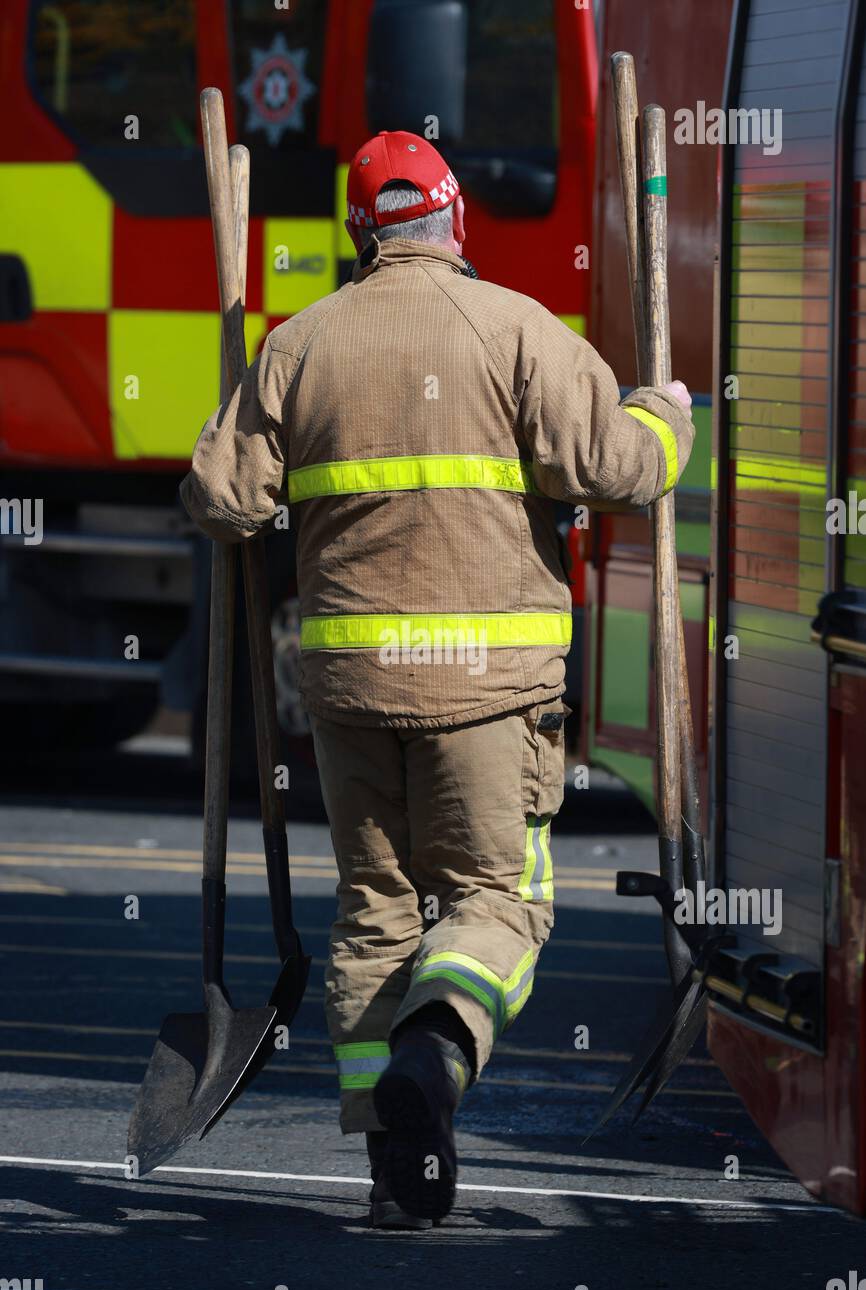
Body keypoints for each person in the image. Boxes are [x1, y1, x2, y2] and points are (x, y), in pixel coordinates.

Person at [181, 130, 694, 1230]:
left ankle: (393, 1174)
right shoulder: (517, 329)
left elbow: (219, 499)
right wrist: (665, 413)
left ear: (360, 233)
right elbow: (612, 469)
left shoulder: (296, 344)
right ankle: (434, 1049)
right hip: (487, 690)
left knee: (374, 909)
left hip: (349, 688)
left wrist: (243, 415)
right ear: (454, 221)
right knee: (494, 900)